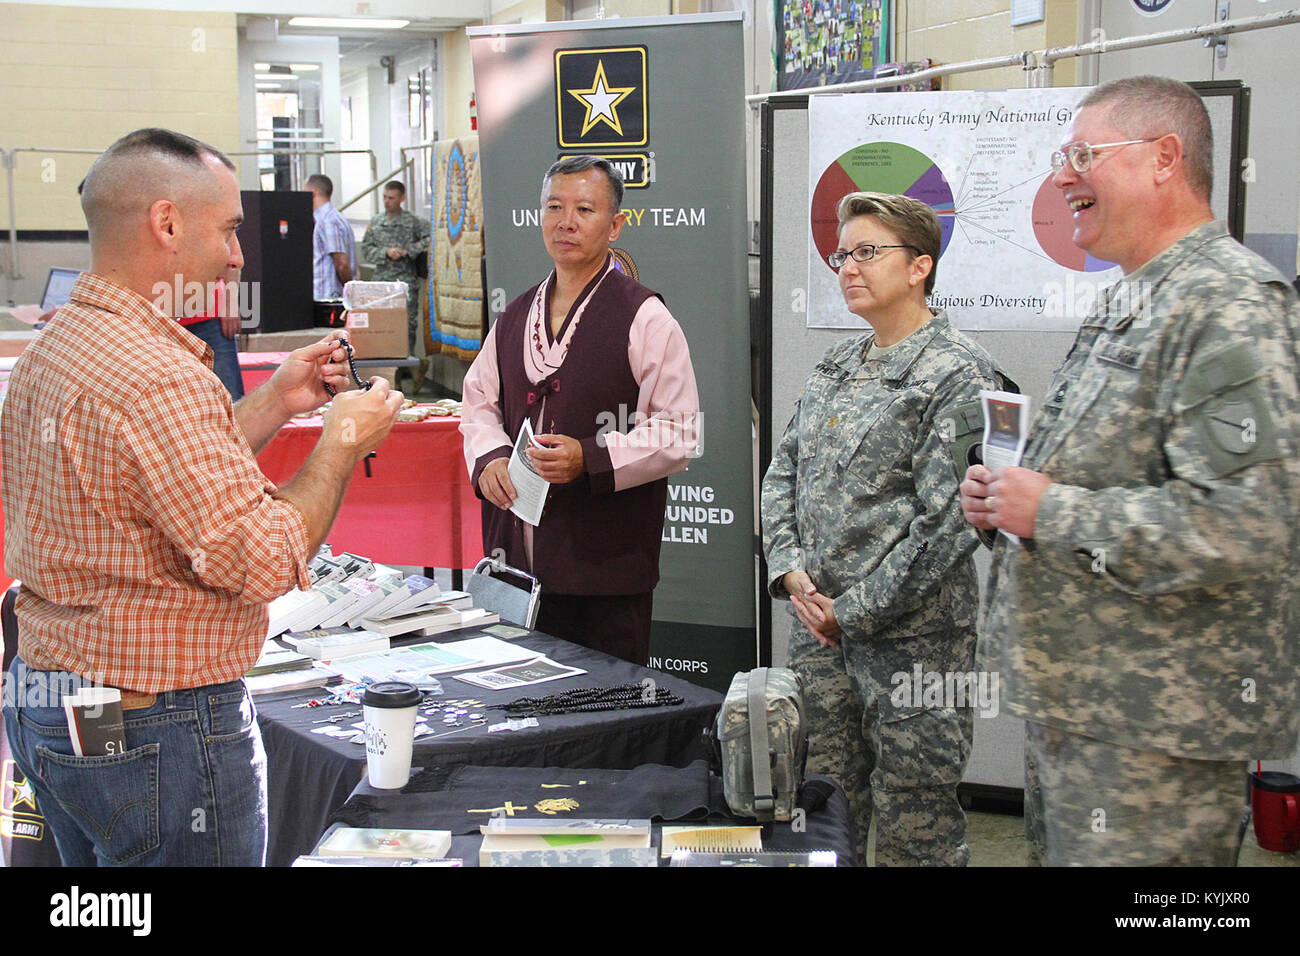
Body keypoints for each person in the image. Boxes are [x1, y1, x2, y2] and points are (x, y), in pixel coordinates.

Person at [1, 128, 403, 866]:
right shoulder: (159, 376)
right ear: (166, 223)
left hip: (54, 709)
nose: (238, 255)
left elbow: (163, 480)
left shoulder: (56, 350)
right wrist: (340, 443)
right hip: (159, 724)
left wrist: (279, 401)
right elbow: (260, 559)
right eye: (228, 229)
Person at [960, 76, 1300, 866]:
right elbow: (1096, 470)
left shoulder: (1228, 303)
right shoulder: (1134, 299)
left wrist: (1053, 513)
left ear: (1164, 159)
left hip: (1155, 735)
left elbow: (1244, 522)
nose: (1063, 177)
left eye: (1084, 155)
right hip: (1084, 711)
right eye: (1061, 157)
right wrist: (1008, 501)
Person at [762, 191, 1006, 867]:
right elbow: (783, 472)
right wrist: (789, 568)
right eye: (843, 254)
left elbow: (949, 525)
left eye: (869, 252)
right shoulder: (837, 367)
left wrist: (854, 611)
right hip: (819, 633)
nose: (848, 267)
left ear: (921, 265)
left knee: (915, 825)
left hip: (913, 646)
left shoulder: (959, 374)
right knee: (819, 808)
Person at [459, 155, 699, 666]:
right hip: (516, 565)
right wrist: (491, 458)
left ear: (614, 225)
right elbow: (478, 401)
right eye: (554, 207)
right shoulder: (515, 314)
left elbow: (679, 432)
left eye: (584, 209)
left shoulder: (645, 317)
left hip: (605, 567)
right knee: (520, 702)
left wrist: (589, 458)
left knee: (604, 708)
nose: (565, 222)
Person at [361, 180, 431, 378]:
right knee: (380, 324)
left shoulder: (413, 221)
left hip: (405, 280)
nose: (387, 202)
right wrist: (385, 252)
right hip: (381, 282)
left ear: (402, 198)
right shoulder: (376, 222)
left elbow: (429, 238)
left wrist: (409, 251)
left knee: (407, 324)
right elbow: (366, 250)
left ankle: (404, 370)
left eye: (391, 198)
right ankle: (386, 371)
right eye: (384, 197)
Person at [307, 173, 357, 300]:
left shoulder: (327, 221)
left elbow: (342, 263)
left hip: (328, 297)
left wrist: (350, 294)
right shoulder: (337, 218)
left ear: (313, 193)